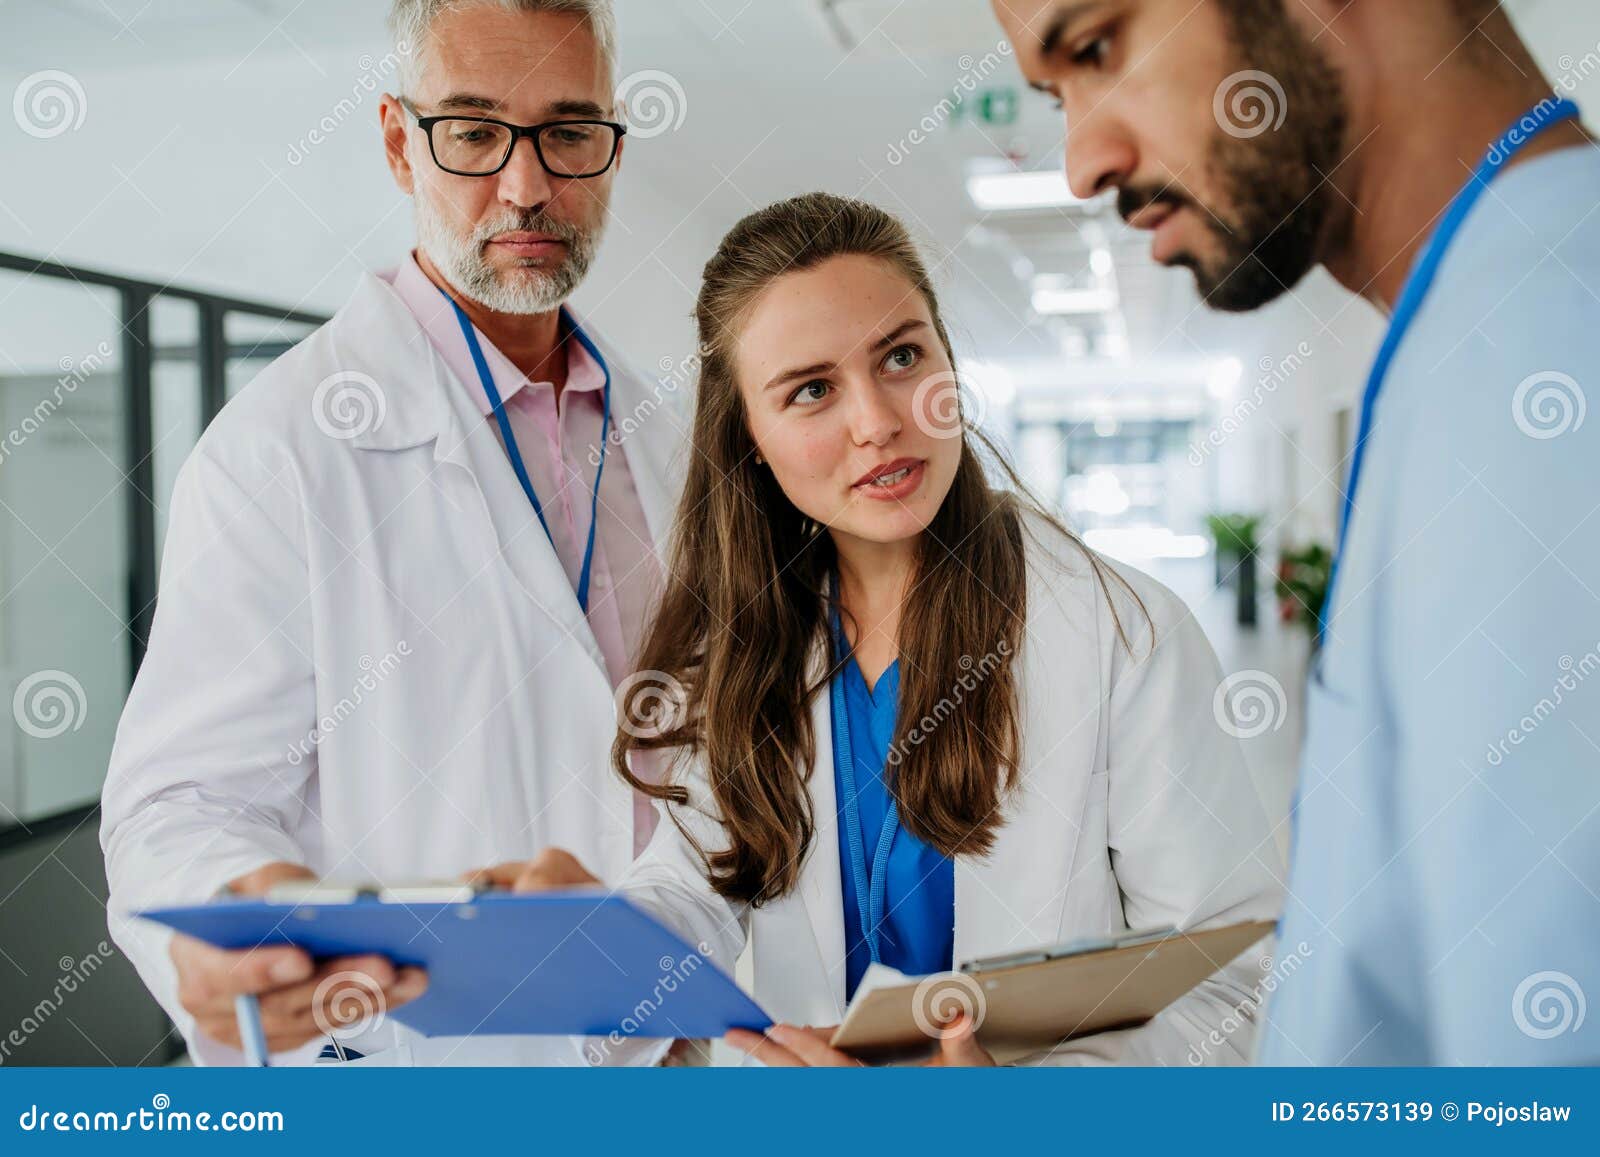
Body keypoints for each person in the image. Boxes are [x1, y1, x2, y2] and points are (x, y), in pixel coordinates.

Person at [520, 191, 1284, 1066]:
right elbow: (698, 880)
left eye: (901, 356)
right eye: (811, 389)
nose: (880, 421)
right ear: (751, 440)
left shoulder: (1125, 633)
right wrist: (604, 950)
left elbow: (1230, 981)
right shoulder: (740, 647)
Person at [991, 0, 1600, 1063]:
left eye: (1097, 46)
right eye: (1056, 96)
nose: (1082, 161)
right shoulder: (1467, 341)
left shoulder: (1548, 356)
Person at [99, 0, 684, 1066]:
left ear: (612, 141)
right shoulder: (279, 453)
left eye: (568, 131)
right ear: (395, 142)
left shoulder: (669, 438)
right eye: (470, 130)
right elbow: (181, 801)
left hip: (670, 1050)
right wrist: (232, 907)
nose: (526, 185)